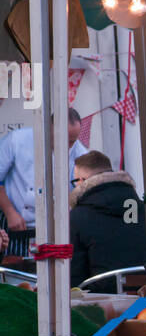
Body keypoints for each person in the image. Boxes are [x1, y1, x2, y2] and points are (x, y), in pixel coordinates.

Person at [0, 109, 87, 258]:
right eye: (64, 139)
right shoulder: (16, 140)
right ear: (49, 128)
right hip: (14, 225)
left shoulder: (81, 154)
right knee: (17, 275)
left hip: (55, 231)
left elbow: (82, 193)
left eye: (72, 141)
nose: (68, 146)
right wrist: (9, 212)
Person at [69, 150, 146, 288]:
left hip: (100, 300)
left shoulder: (77, 217)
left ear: (82, 181)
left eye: (75, 181)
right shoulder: (142, 209)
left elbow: (74, 275)